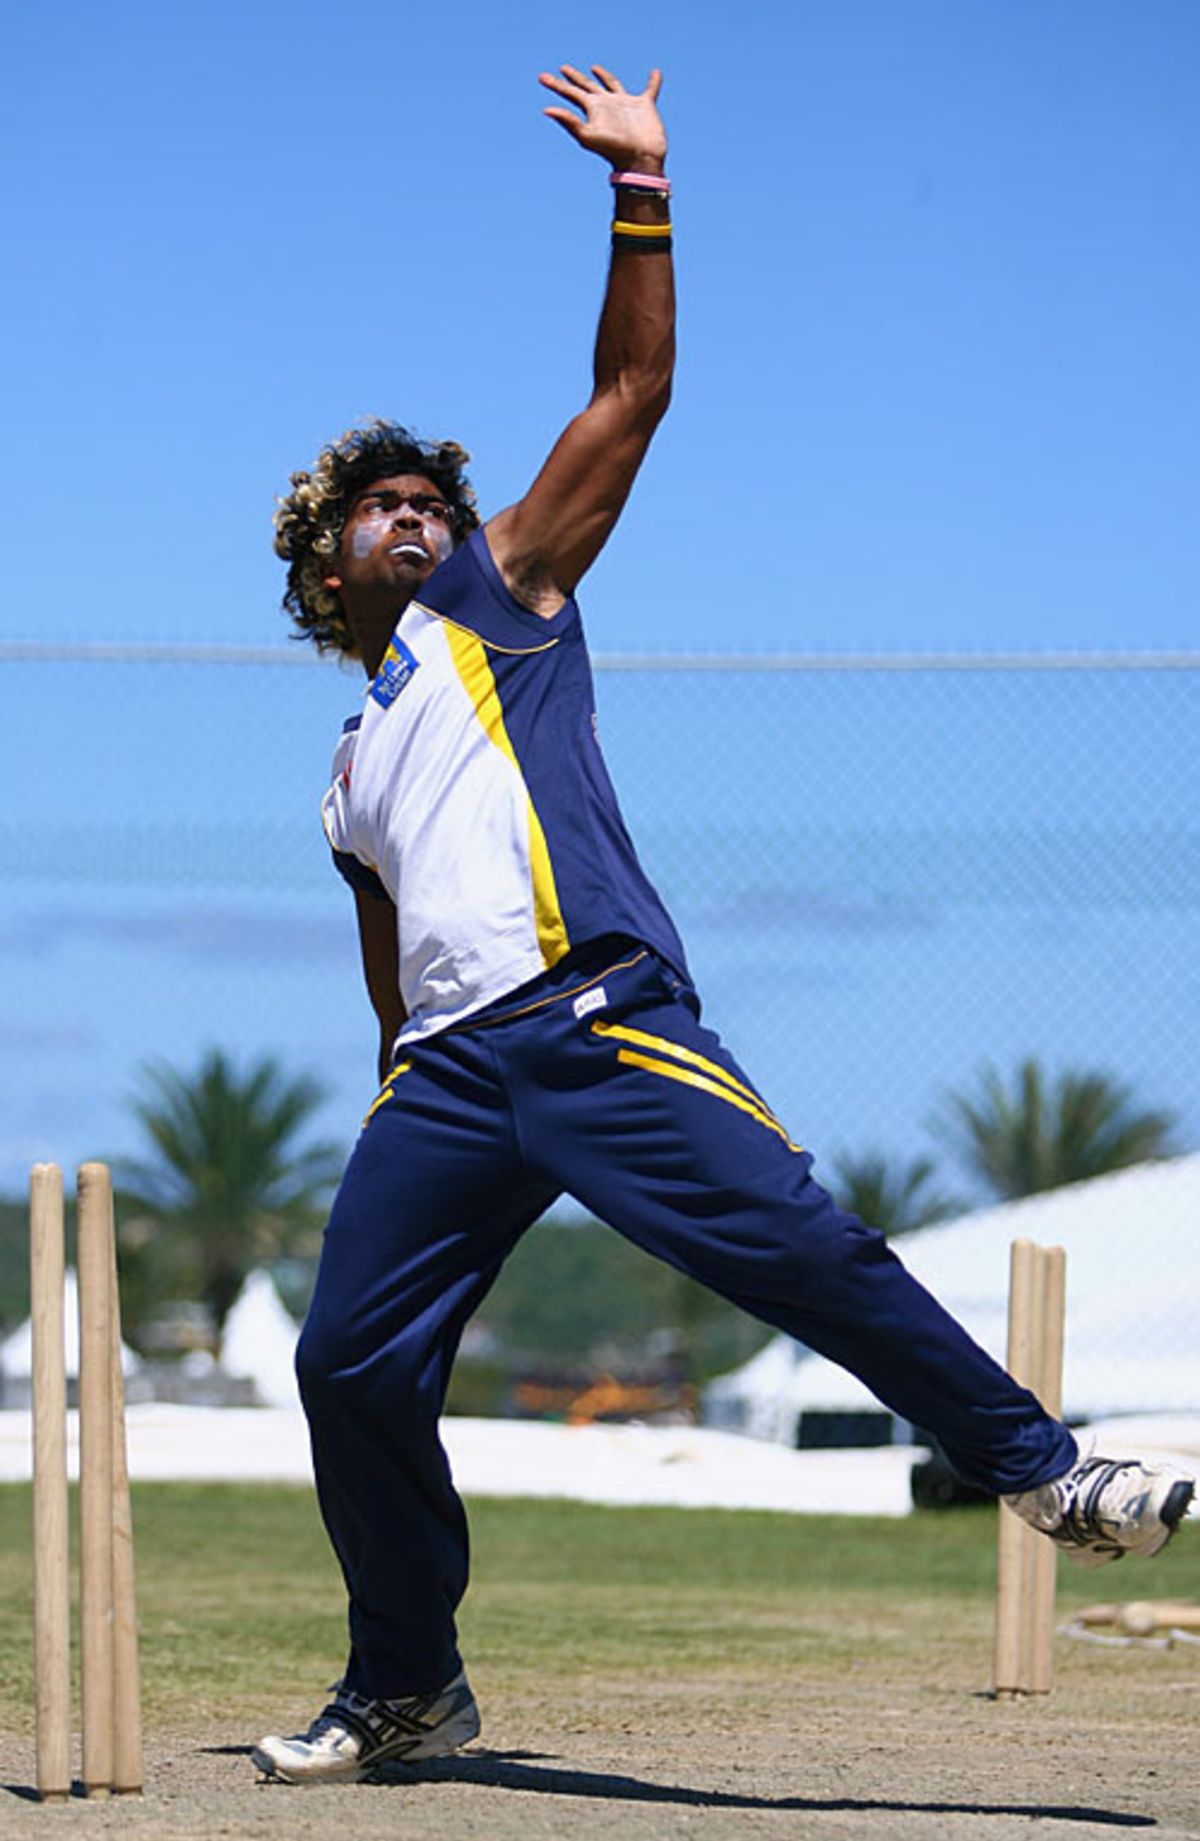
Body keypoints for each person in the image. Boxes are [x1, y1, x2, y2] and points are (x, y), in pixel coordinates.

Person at [254, 63, 1193, 1786]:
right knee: (344, 1366)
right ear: (328, 571)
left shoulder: (498, 596)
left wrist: (643, 187)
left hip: (592, 1020)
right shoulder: (342, 771)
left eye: (432, 496)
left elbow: (634, 388)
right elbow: (389, 968)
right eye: (383, 504)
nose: (420, 511)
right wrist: (401, 1098)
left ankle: (1046, 1468)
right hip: (443, 1078)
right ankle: (408, 1684)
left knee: (801, 1247)